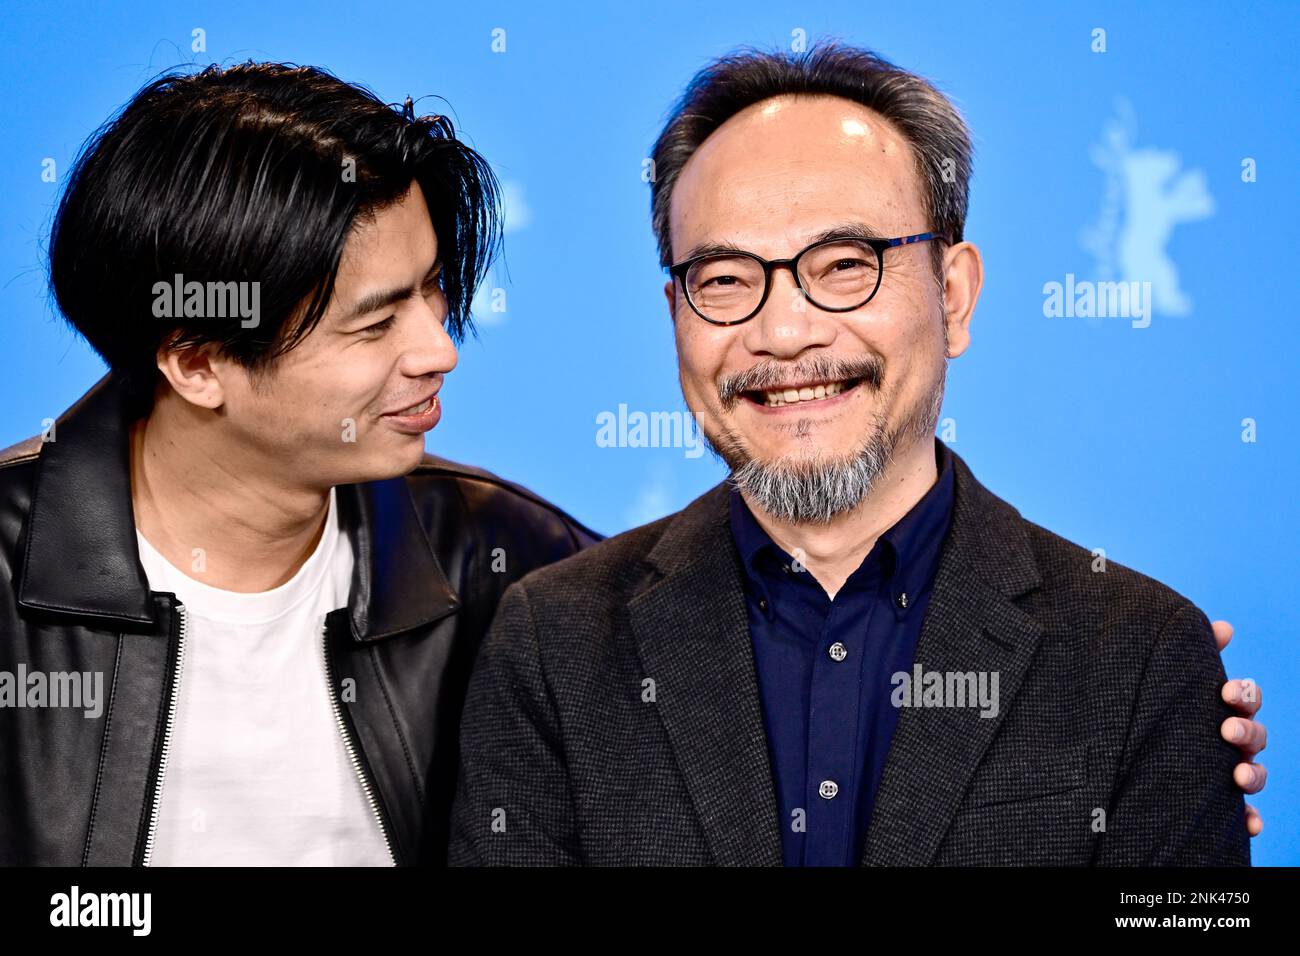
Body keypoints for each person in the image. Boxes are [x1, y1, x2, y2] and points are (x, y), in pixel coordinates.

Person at [448, 43, 1266, 866]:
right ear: (675, 313)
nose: (785, 332)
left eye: (846, 266)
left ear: (954, 295)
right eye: (726, 279)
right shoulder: (553, 644)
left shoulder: (1142, 654)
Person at [0, 62, 596, 866]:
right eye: (375, 323)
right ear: (198, 362)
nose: (440, 350)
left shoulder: (515, 565)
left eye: (435, 290)